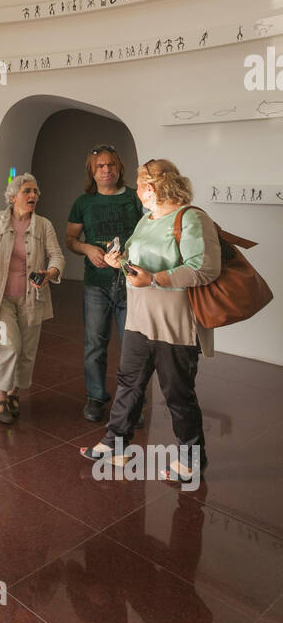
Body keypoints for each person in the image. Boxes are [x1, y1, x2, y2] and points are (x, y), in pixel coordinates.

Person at [80, 160, 221, 484]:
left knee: (178, 394)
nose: (139, 190)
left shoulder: (192, 218)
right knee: (129, 383)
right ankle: (114, 443)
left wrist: (156, 279)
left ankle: (192, 458)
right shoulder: (146, 220)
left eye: (142, 183)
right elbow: (136, 265)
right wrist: (121, 261)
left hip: (175, 325)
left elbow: (205, 268)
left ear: (153, 186)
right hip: (139, 319)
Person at [0, 173, 65, 425]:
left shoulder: (44, 225)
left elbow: (57, 256)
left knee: (27, 351)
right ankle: (0, 395)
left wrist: (50, 273)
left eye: (36, 191)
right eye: (27, 191)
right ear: (13, 197)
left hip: (32, 298)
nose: (33, 195)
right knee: (8, 345)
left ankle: (14, 392)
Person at [66, 145, 145, 423]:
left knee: (133, 348)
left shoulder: (136, 199)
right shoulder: (82, 203)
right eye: (100, 166)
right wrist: (87, 249)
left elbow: (148, 235)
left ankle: (131, 404)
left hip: (132, 284)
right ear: (92, 171)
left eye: (111, 165)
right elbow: (71, 240)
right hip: (96, 285)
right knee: (94, 345)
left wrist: (130, 255)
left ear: (119, 168)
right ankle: (96, 398)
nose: (106, 170)